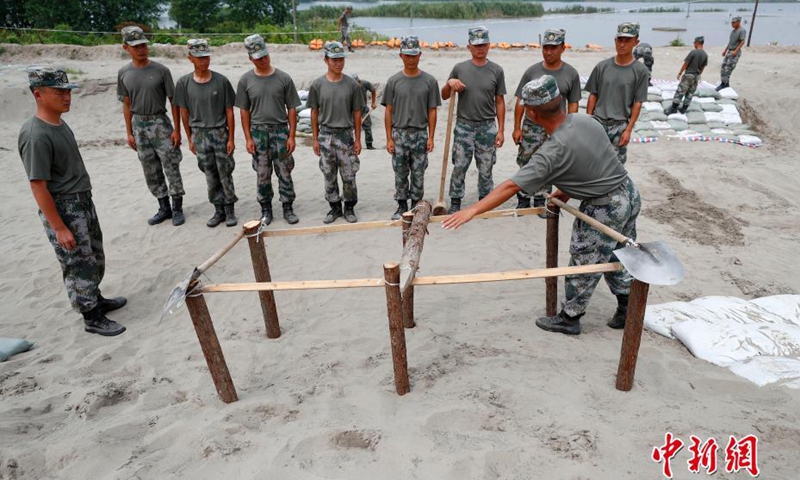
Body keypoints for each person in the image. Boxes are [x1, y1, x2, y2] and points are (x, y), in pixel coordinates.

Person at [443, 75, 641, 335]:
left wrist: (472, 210)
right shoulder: (585, 120)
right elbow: (592, 159)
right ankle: (628, 307)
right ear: (559, 102)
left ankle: (570, 318)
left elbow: (511, 186)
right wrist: (568, 190)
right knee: (618, 253)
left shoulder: (552, 152)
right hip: (628, 192)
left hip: (604, 206)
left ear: (532, 114)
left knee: (585, 260)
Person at [19, 66, 127, 336]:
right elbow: (38, 185)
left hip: (82, 202)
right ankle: (91, 316)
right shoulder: (36, 135)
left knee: (93, 256)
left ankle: (96, 299)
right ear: (38, 94)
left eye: (68, 91)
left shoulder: (58, 122)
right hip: (65, 207)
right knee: (77, 263)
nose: (67, 97)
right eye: (59, 92)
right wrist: (59, 227)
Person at [117, 25, 185, 226]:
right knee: (149, 167)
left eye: (144, 45)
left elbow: (174, 101)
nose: (141, 49)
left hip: (160, 123)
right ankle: (163, 207)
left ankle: (177, 207)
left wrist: (177, 130)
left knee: (170, 164)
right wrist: (129, 132)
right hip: (139, 124)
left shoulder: (161, 70)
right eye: (136, 46)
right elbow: (127, 103)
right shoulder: (123, 73)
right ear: (126, 47)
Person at [236, 34, 301, 225]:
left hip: (280, 131)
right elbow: (244, 111)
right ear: (250, 58)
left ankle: (288, 207)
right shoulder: (245, 80)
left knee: (285, 170)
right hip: (258, 132)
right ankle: (266, 209)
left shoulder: (283, 78)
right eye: (258, 58)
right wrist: (248, 138)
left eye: (265, 56)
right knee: (262, 173)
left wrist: (291, 135)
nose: (263, 60)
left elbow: (292, 108)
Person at [512, 28, 580, 211]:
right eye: (546, 47)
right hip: (531, 127)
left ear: (563, 48)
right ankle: (524, 198)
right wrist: (517, 127)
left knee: (551, 163)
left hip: (556, 129)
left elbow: (573, 103)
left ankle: (542, 199)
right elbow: (520, 101)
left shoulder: (571, 74)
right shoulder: (532, 72)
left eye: (553, 48)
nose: (549, 52)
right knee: (526, 161)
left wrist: (570, 128)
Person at [442, 26, 506, 213]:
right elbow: (445, 95)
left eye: (484, 44)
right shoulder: (459, 68)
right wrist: (449, 83)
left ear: (489, 45)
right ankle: (455, 203)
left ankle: (484, 202)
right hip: (464, 126)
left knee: (486, 167)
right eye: (477, 45)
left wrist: (501, 130)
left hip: (487, 126)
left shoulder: (496, 70)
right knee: (460, 166)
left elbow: (500, 101)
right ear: (469, 46)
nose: (481, 48)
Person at [174, 39, 238, 228]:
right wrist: (190, 138)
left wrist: (231, 138)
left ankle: (229, 209)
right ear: (190, 58)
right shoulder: (184, 83)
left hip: (219, 133)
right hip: (200, 134)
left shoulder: (221, 81)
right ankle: (218, 209)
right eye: (199, 57)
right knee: (209, 173)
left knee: (225, 172)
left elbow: (229, 112)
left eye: (206, 57)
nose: (204, 61)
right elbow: (183, 112)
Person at [382, 36, 441, 220]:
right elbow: (388, 111)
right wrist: (389, 138)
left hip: (420, 134)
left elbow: (432, 111)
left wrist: (431, 137)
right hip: (399, 133)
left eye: (414, 55)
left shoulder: (429, 81)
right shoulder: (393, 81)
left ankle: (416, 206)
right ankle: (401, 206)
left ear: (420, 55)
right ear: (401, 56)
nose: (411, 59)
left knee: (418, 172)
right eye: (407, 55)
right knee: (400, 172)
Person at [308, 41, 364, 224]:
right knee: (328, 173)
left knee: (349, 174)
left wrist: (358, 139)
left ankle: (349, 207)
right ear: (326, 60)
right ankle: (334, 208)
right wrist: (315, 139)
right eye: (334, 60)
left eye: (341, 59)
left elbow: (357, 113)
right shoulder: (317, 85)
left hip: (346, 136)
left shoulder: (352, 85)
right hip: (325, 135)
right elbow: (314, 113)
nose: (338, 63)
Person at [585, 22, 649, 165]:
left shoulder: (640, 71)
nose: (622, 44)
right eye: (620, 40)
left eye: (627, 41)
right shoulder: (602, 67)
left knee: (615, 167)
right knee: (592, 163)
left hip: (620, 125)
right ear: (615, 41)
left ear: (636, 42)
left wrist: (628, 130)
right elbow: (593, 95)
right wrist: (589, 121)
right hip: (598, 122)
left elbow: (637, 103)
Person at [665, 36, 708, 115]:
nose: (694, 44)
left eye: (694, 42)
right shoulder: (705, 55)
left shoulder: (693, 52)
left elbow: (686, 64)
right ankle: (683, 109)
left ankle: (673, 108)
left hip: (688, 75)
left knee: (680, 91)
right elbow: (702, 68)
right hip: (696, 76)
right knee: (690, 93)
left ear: (698, 43)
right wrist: (697, 75)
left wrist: (680, 73)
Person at [718, 16, 746, 91]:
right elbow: (730, 42)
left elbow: (742, 41)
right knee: (723, 66)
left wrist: (736, 51)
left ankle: (725, 83)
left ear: (738, 22)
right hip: (729, 51)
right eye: (732, 22)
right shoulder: (733, 31)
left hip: (734, 52)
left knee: (728, 68)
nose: (732, 24)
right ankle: (723, 83)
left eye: (734, 22)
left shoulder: (741, 30)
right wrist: (725, 50)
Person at [352, 73, 377, 150]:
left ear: (359, 81)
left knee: (367, 127)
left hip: (363, 109)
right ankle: (351, 144)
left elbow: (373, 90)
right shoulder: (348, 86)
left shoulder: (365, 83)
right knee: (350, 127)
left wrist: (373, 103)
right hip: (352, 109)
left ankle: (369, 144)